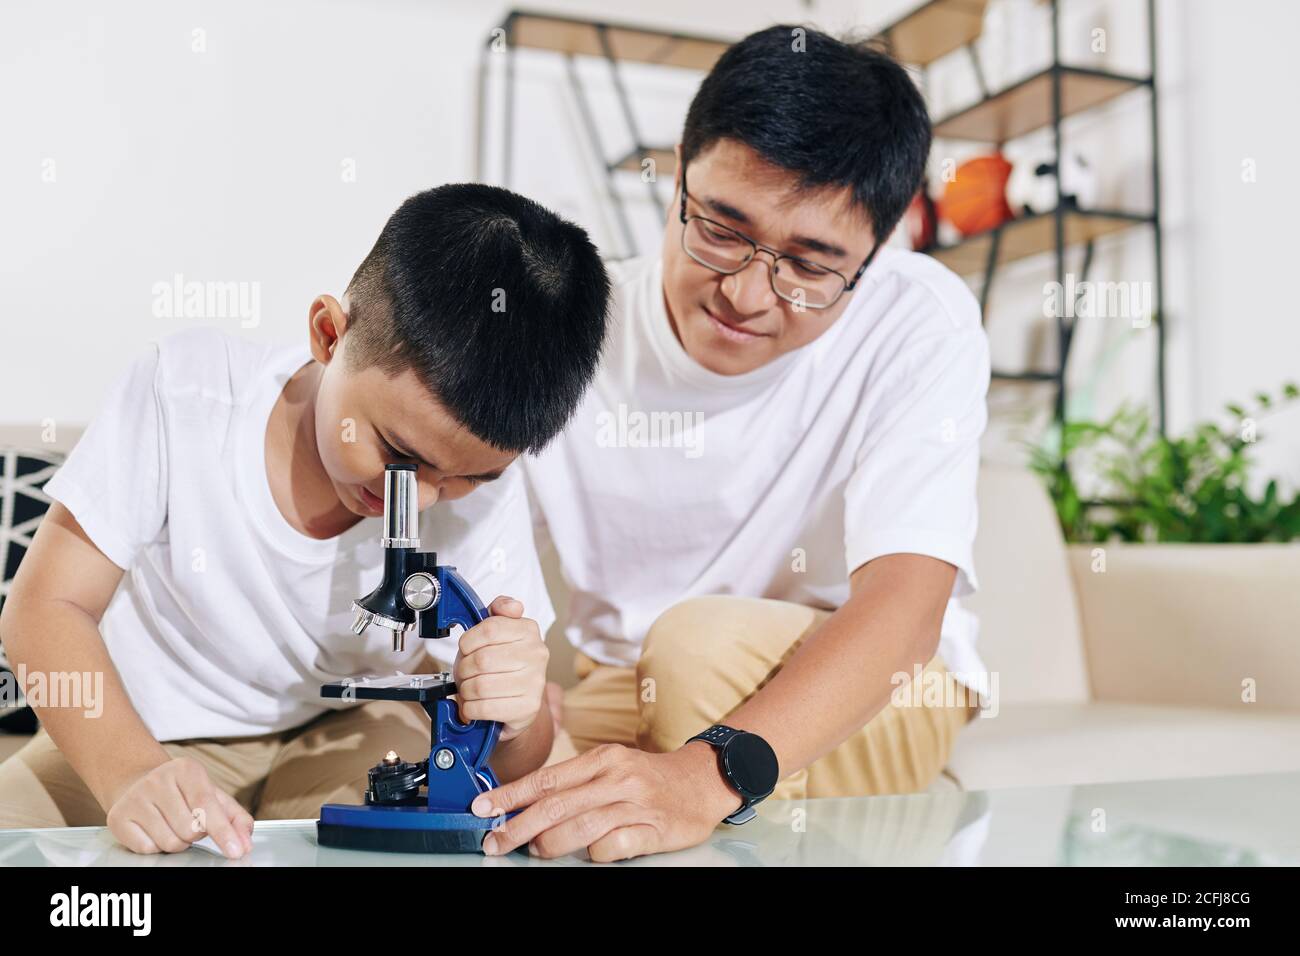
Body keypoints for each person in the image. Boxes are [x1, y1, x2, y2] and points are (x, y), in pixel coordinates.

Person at [478, 25, 992, 862]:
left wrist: (702, 776)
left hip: (871, 680)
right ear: (680, 169)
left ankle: (729, 786)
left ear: (878, 249)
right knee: (480, 789)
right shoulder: (575, 321)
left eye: (810, 266)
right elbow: (477, 536)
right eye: (720, 227)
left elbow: (904, 611)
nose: (748, 294)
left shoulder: (918, 319)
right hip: (626, 682)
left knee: (695, 650)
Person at [0, 184, 611, 858]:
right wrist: (131, 773)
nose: (428, 499)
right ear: (328, 334)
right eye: (399, 453)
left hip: (352, 729)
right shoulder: (185, 392)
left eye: (471, 476)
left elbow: (510, 773)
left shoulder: (488, 495)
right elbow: (45, 607)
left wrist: (518, 718)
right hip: (145, 721)